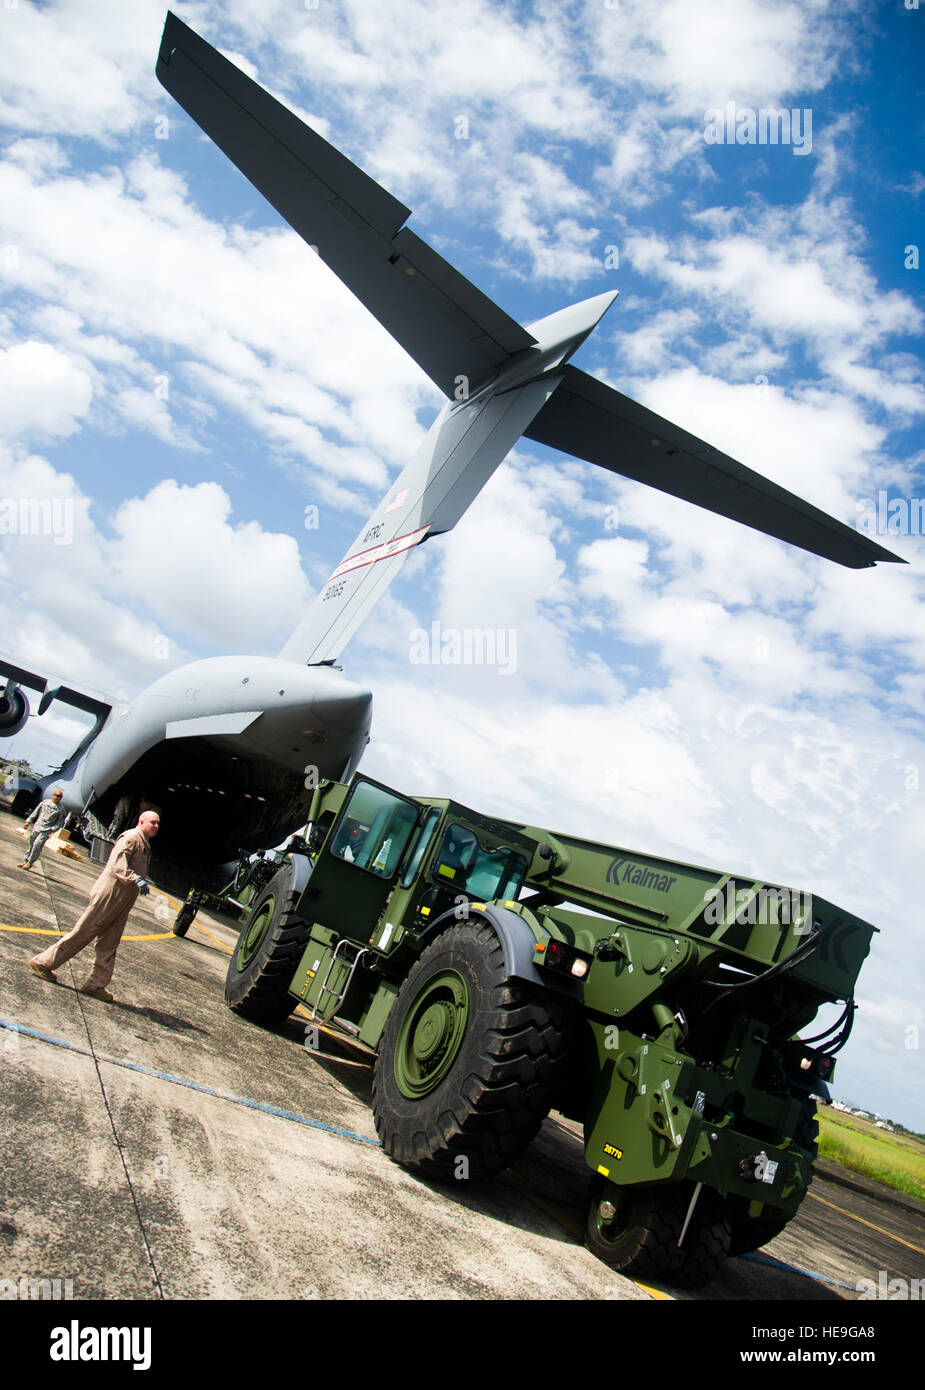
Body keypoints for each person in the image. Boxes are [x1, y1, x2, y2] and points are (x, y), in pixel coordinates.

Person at [28, 810, 160, 1002]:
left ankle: (96, 984)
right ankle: (43, 963)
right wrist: (135, 879)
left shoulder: (144, 842)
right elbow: (117, 864)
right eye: (153, 822)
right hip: (110, 896)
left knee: (109, 943)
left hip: (122, 902)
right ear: (141, 822)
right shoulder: (131, 838)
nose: (156, 826)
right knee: (84, 932)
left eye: (158, 823)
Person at [17, 789, 65, 870]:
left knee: (37, 844)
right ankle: (26, 859)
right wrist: (28, 821)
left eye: (60, 797)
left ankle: (30, 862)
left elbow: (59, 822)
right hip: (38, 826)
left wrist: (52, 830)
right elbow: (35, 812)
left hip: (46, 829)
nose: (58, 798)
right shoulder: (45, 803)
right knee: (31, 843)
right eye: (57, 796)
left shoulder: (60, 809)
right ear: (53, 795)